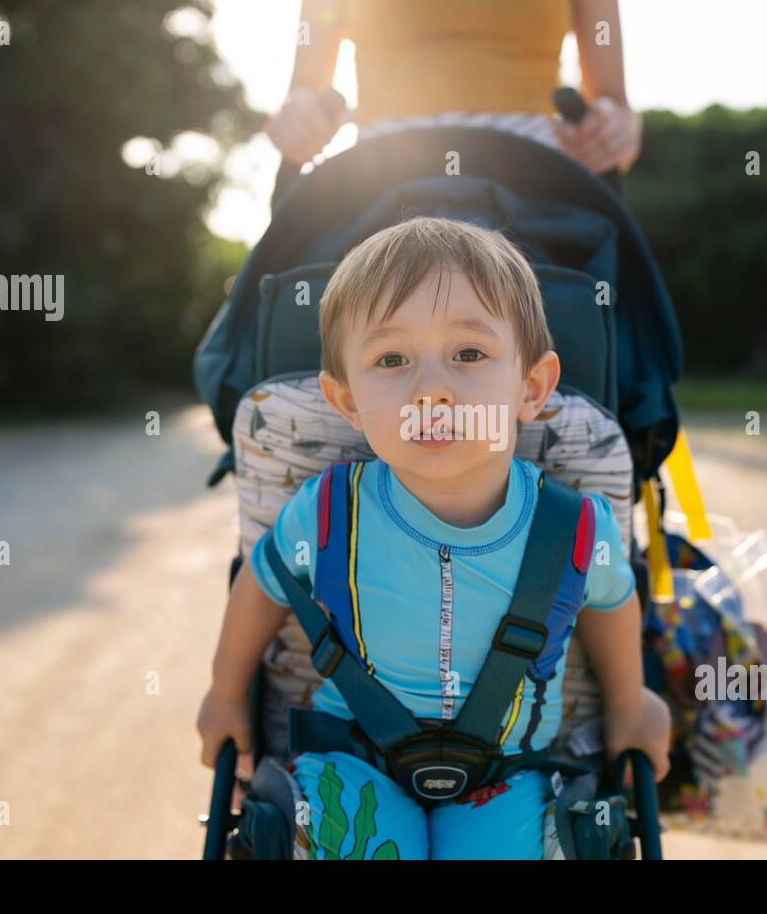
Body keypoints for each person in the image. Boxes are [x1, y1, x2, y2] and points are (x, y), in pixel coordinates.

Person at [197, 216, 670, 859]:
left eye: (468, 354)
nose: (432, 390)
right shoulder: (329, 512)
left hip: (511, 774)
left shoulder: (577, 530)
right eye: (391, 360)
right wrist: (226, 695)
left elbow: (612, 604)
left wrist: (627, 702)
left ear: (531, 388)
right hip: (352, 760)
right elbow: (260, 584)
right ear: (347, 403)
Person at [264, 0, 642, 176]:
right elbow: (303, 93)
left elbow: (616, 110)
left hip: (535, 183)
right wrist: (299, 117)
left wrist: (614, 131)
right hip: (379, 181)